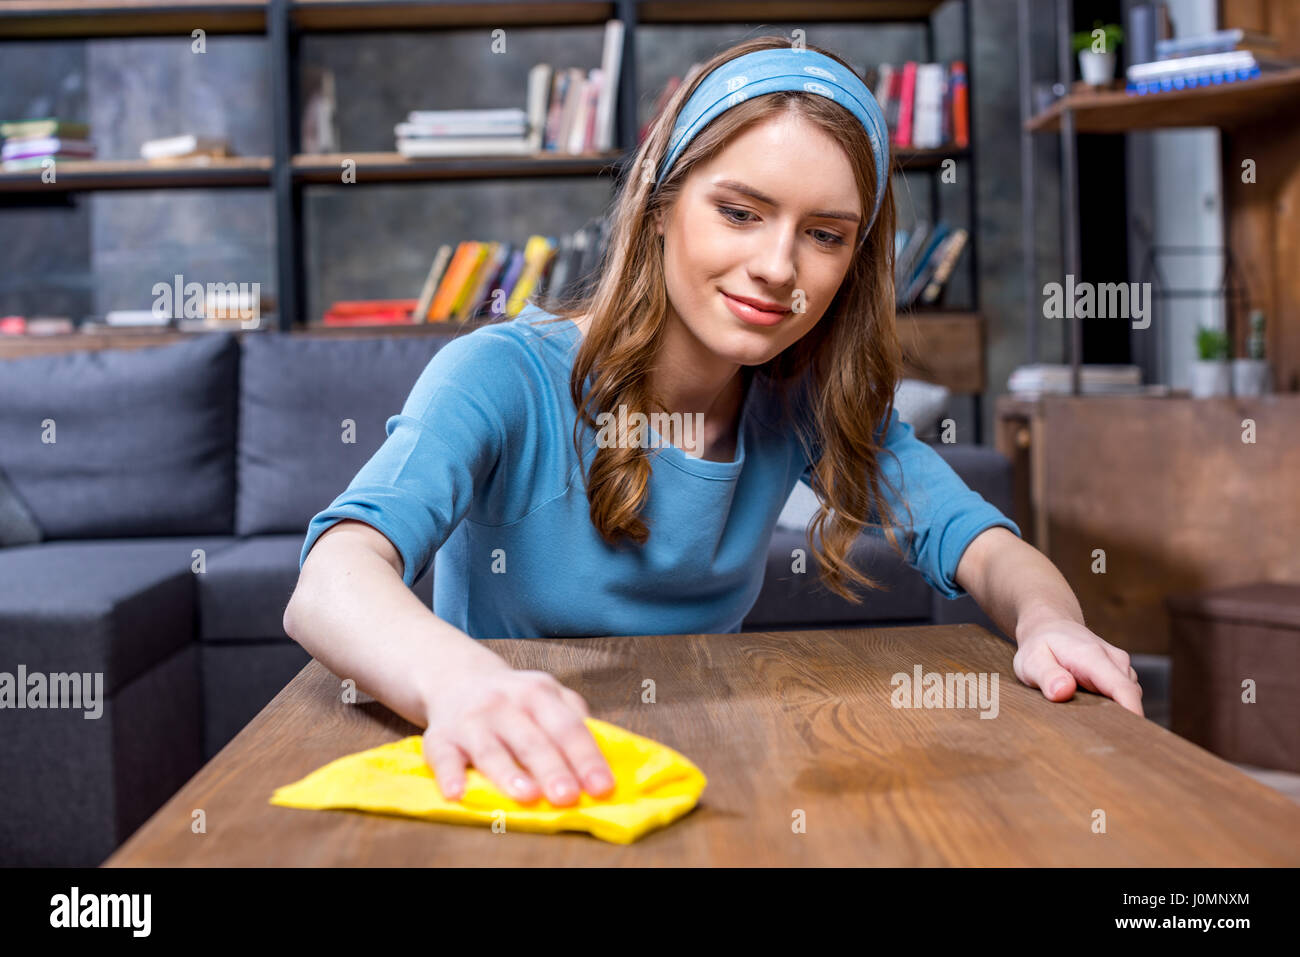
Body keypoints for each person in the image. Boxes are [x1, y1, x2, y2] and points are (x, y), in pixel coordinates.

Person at [284, 36, 1144, 810]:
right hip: (513, 778)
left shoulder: (801, 398)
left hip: (712, 772)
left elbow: (982, 542)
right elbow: (332, 579)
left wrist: (1048, 622)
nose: (776, 267)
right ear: (660, 203)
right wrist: (459, 680)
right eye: (739, 212)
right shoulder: (502, 373)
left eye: (825, 234)